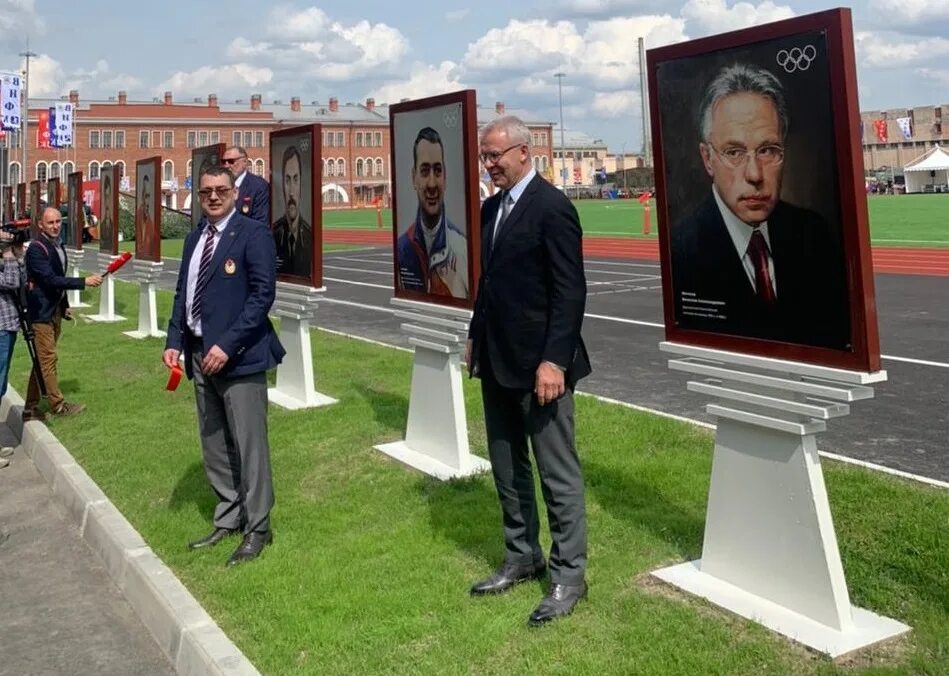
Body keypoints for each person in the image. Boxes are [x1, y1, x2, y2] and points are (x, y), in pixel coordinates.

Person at [465, 116, 592, 627]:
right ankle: (522, 555)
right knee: (507, 468)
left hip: (542, 368)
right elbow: (489, 282)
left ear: (523, 152)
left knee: (556, 474)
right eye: (484, 157)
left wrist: (554, 361)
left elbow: (570, 291)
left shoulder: (552, 207)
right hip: (497, 361)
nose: (489, 165)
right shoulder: (491, 209)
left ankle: (569, 574)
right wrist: (475, 334)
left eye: (495, 156)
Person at [671, 63, 850, 349]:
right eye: (734, 152)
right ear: (707, 158)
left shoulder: (815, 234)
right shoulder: (680, 249)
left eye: (768, 150)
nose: (754, 174)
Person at [163, 165, 285, 567]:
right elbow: (185, 290)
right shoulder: (195, 237)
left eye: (220, 190)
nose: (213, 197)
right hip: (199, 355)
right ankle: (229, 515)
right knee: (213, 439)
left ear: (235, 192)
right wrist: (174, 340)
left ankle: (257, 528)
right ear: (198, 196)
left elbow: (262, 296)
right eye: (206, 191)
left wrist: (227, 346)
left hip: (239, 358)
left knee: (249, 444)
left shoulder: (253, 234)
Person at [22, 207, 103, 421]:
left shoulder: (57, 246)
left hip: (54, 309)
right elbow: (49, 280)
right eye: (50, 222)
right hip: (40, 312)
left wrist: (64, 304)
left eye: (58, 221)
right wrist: (83, 282)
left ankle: (30, 407)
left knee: (42, 360)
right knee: (48, 358)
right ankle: (58, 406)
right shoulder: (36, 249)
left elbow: (58, 277)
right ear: (40, 224)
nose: (56, 226)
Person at [395, 127, 468, 298]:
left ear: (445, 176)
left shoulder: (462, 248)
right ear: (414, 177)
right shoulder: (402, 248)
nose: (432, 184)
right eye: (425, 171)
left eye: (437, 170)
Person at [272, 145, 312, 278]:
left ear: (301, 183)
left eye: (296, 179)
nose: (291, 193)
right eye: (287, 180)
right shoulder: (272, 234)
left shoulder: (310, 236)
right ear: (282, 185)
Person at [223, 145, 270, 225]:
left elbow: (260, 223)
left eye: (231, 161)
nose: (226, 165)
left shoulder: (258, 186)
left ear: (244, 162)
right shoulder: (219, 184)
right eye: (224, 162)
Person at [136, 172, 157, 260]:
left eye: (150, 196)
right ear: (142, 197)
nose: (148, 201)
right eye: (147, 196)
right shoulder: (139, 215)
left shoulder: (151, 221)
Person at [99, 172, 115, 252]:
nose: (107, 201)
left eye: (109, 196)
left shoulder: (113, 224)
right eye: (106, 196)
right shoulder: (103, 225)